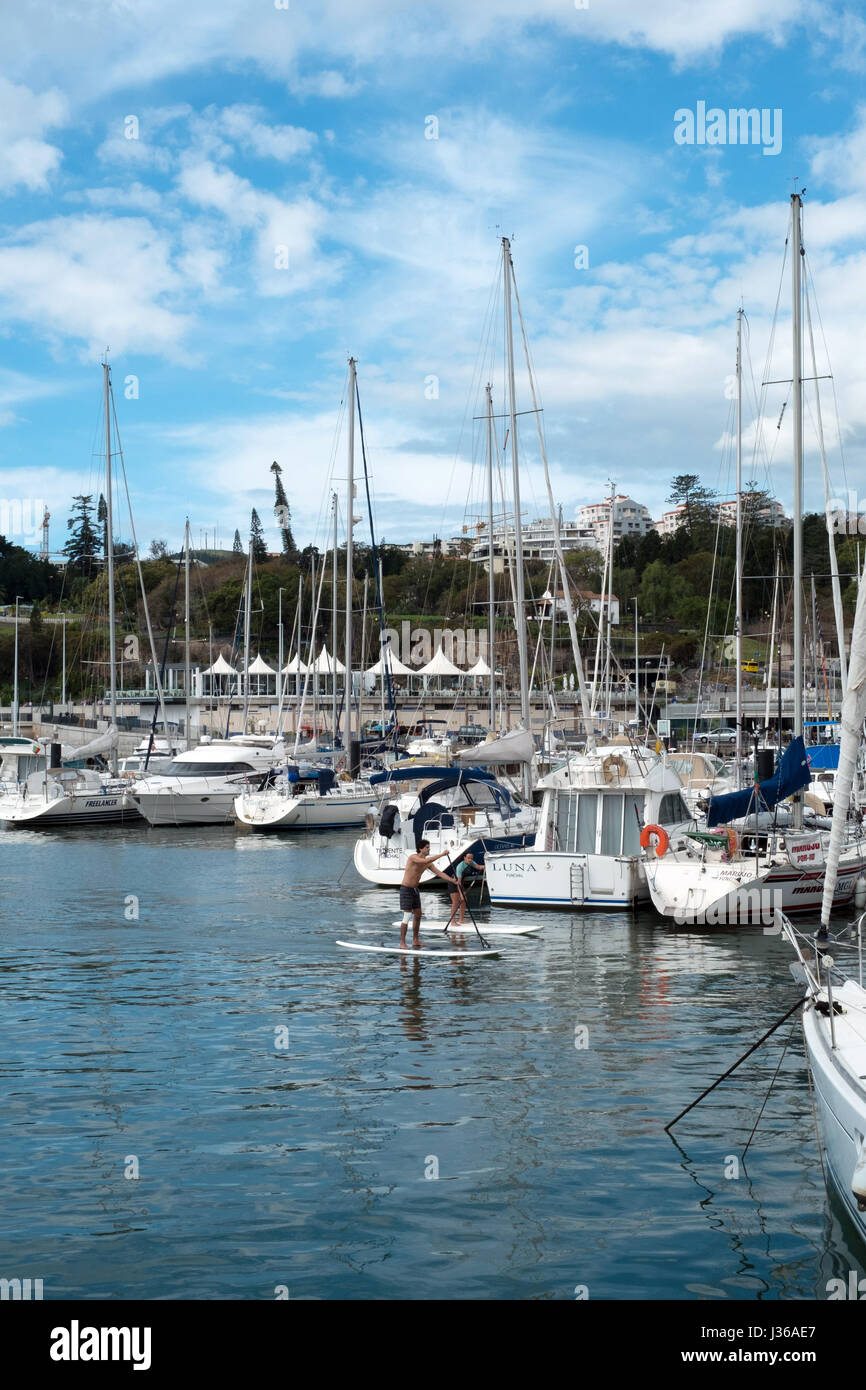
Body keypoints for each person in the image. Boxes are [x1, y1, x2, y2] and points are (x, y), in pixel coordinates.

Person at [399, 839, 454, 949]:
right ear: (421, 849)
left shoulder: (428, 863)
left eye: (429, 847)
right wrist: (442, 854)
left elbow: (439, 873)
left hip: (415, 890)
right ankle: (402, 943)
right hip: (406, 890)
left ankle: (415, 940)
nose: (429, 849)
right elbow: (424, 861)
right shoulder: (413, 858)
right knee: (407, 917)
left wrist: (453, 881)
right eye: (427, 847)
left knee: (418, 915)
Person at [445, 851, 475, 928]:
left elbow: (478, 867)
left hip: (460, 884)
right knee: (455, 902)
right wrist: (461, 894)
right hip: (454, 884)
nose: (470, 859)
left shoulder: (470, 862)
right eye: (469, 858)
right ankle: (453, 921)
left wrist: (485, 866)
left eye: (471, 858)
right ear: (464, 858)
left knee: (464, 901)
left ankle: (461, 919)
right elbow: (458, 882)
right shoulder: (460, 866)